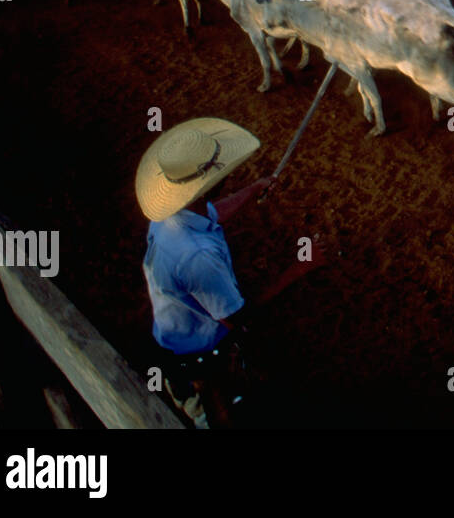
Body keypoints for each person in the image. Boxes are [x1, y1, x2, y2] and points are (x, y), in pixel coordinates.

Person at [137, 118, 320, 427]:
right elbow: (238, 317)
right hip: (201, 359)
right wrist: (300, 268)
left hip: (176, 340)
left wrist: (252, 190)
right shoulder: (197, 256)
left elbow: (212, 212)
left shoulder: (170, 216)